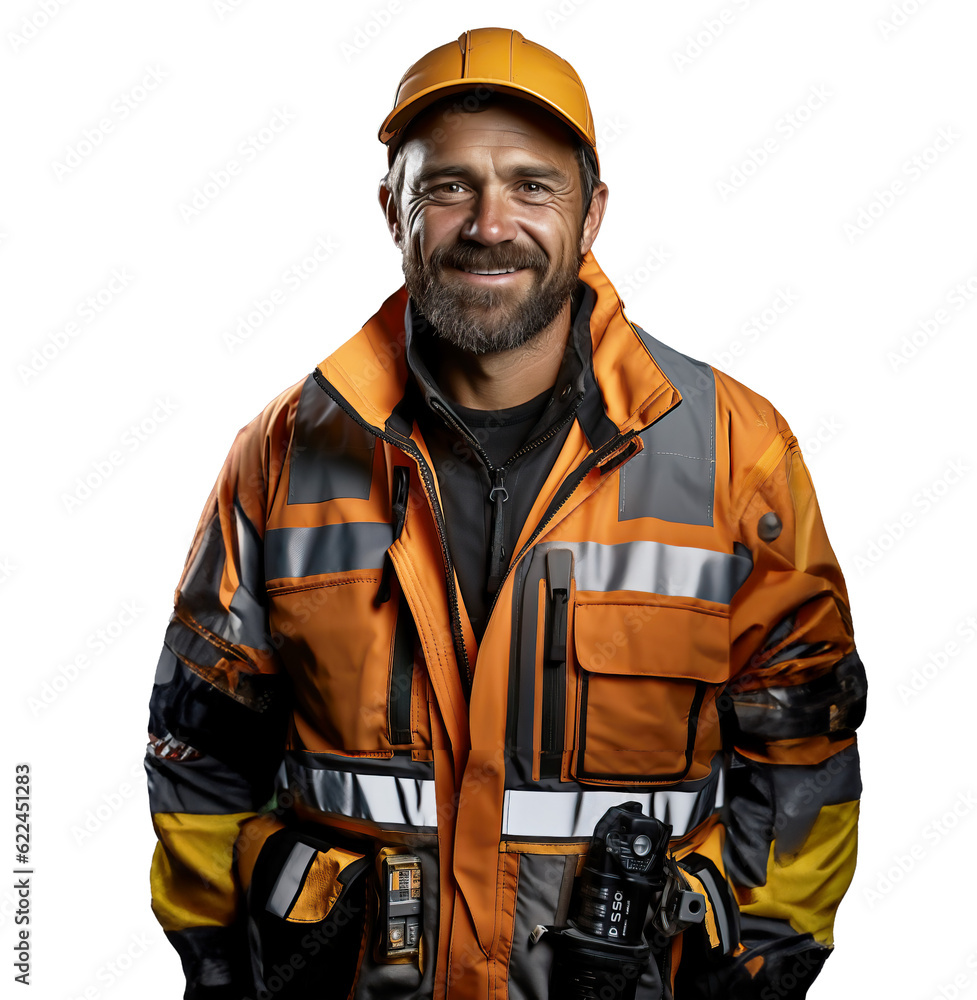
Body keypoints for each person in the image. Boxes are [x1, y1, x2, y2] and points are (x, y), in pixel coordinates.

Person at [145, 27, 867, 1000]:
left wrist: (760, 963)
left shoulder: (735, 454)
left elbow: (803, 744)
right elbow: (198, 742)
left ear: (592, 211)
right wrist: (215, 960)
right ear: (390, 208)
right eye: (447, 185)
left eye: (532, 185)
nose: (490, 222)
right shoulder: (282, 454)